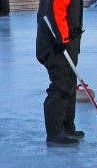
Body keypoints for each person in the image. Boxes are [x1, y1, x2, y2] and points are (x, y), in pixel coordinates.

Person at [36, 0, 85, 146]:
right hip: (57, 45)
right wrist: (62, 38)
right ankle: (55, 133)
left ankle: (67, 128)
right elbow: (56, 9)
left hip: (65, 42)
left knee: (69, 82)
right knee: (61, 85)